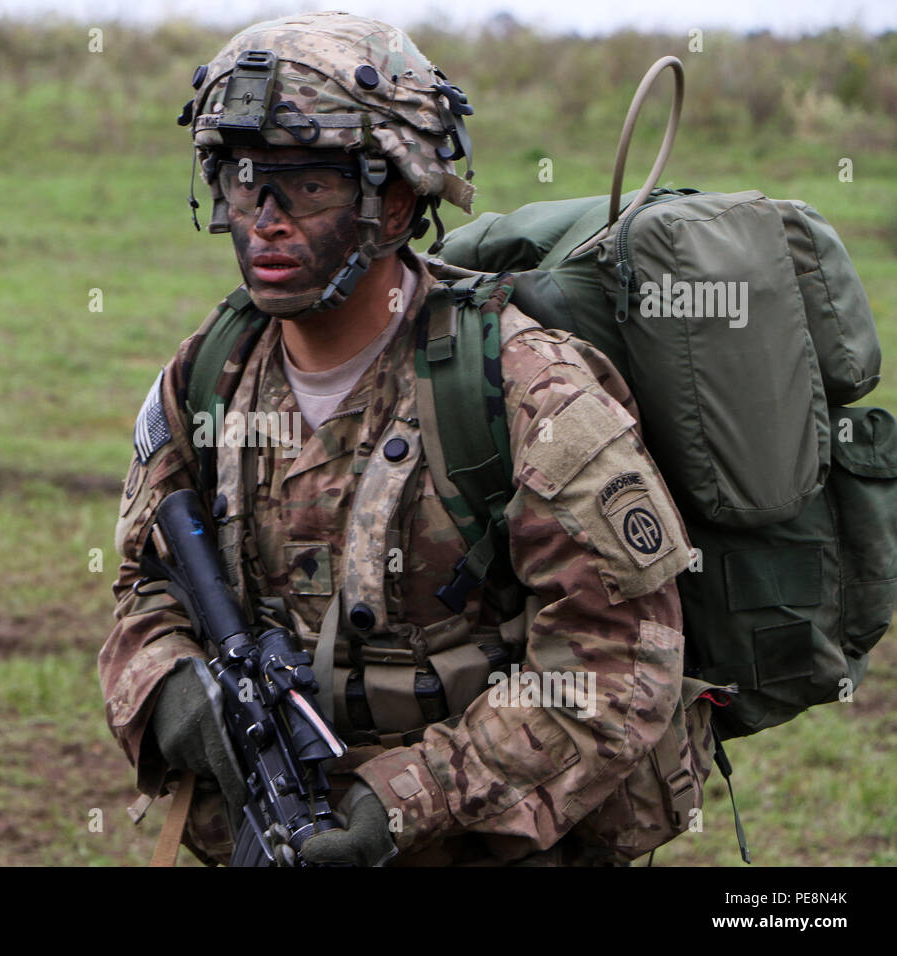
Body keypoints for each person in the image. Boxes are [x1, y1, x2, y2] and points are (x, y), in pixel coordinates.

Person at [99, 11, 716, 866]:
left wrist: (402, 805)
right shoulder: (209, 373)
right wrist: (168, 687)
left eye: (307, 187)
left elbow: (618, 666)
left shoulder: (522, 388)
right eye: (244, 184)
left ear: (393, 201)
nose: (266, 222)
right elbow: (144, 581)